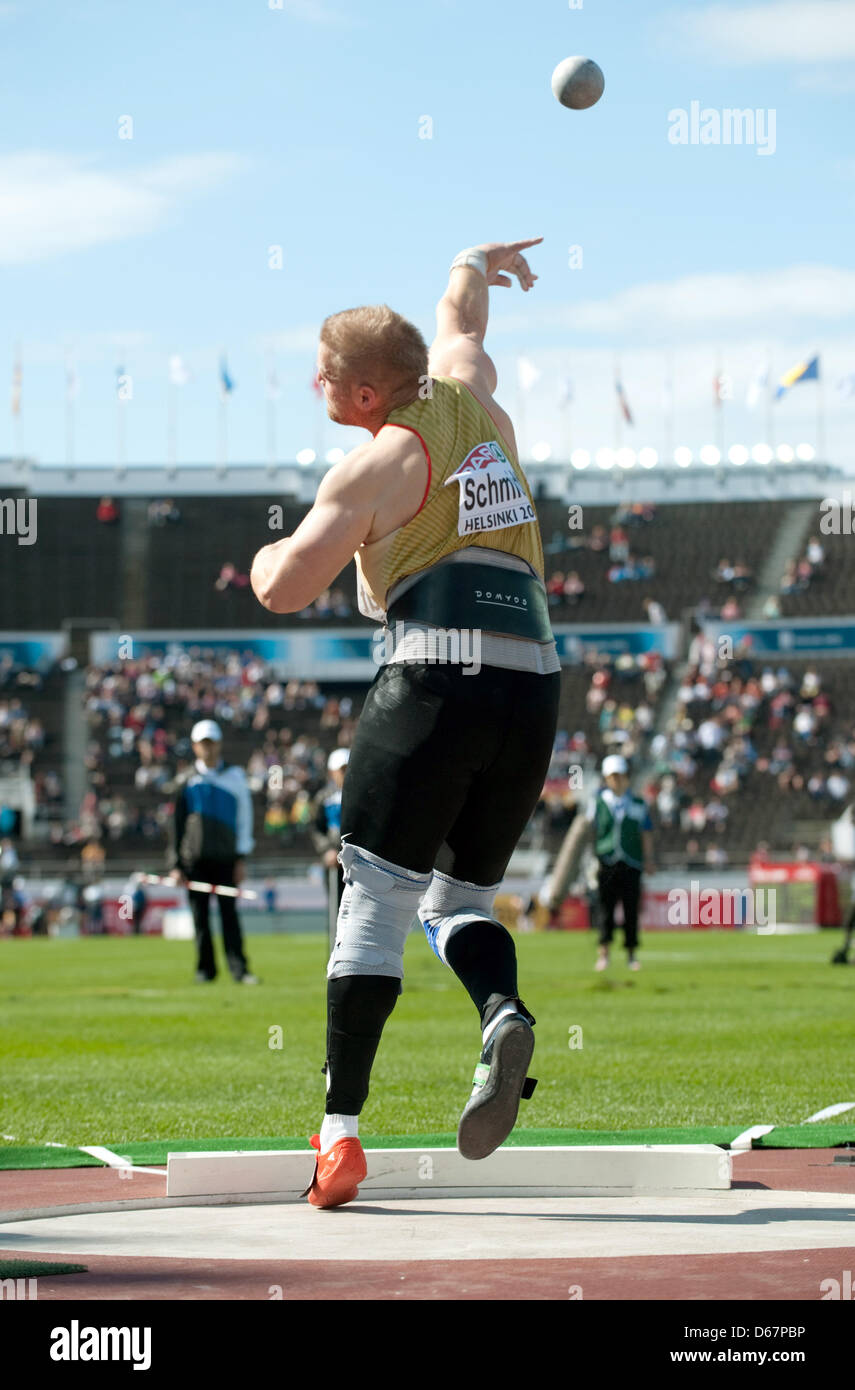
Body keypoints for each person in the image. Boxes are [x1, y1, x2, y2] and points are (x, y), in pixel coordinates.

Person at [251, 236, 560, 1208]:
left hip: (433, 677)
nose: (316, 383)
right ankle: (501, 1008)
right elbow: (464, 317)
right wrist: (473, 256)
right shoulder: (470, 390)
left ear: (367, 396)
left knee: (373, 903)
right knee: (458, 902)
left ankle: (339, 1136)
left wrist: (265, 551)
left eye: (327, 376)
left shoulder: (378, 464)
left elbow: (286, 590)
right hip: (536, 681)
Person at [167, 719, 257, 984]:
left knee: (230, 917)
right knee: (200, 920)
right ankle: (205, 971)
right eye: (203, 744)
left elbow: (245, 819)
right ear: (195, 747)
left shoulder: (235, 777)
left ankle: (239, 970)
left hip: (227, 860)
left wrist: (241, 857)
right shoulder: (184, 781)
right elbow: (175, 826)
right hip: (195, 862)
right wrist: (175, 864)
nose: (208, 748)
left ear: (219, 744)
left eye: (212, 743)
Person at [588, 754, 654, 973]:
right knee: (604, 910)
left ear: (626, 777)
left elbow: (645, 833)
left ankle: (631, 954)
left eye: (620, 776)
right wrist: (590, 860)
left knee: (631, 910)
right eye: (612, 776)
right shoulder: (597, 803)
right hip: (605, 862)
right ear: (606, 778)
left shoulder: (638, 803)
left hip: (631, 863)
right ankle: (604, 954)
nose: (616, 780)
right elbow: (591, 833)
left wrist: (649, 859)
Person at [312, 749, 349, 950]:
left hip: (358, 863)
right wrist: (326, 849)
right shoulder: (323, 797)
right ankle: (335, 954)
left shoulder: (363, 796)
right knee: (336, 909)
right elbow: (316, 827)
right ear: (332, 772)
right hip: (333, 863)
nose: (344, 774)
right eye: (340, 770)